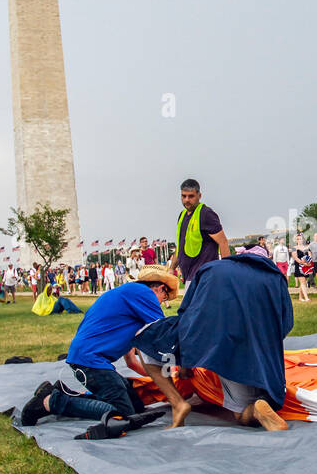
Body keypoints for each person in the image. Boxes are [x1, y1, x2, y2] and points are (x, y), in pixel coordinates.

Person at [129, 252, 293, 432]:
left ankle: (178, 404)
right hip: (257, 354)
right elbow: (285, 325)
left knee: (144, 338)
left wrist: (186, 363)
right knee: (254, 402)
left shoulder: (211, 269)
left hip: (219, 344)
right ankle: (260, 406)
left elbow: (188, 316)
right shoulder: (275, 277)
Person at [20, 267, 180, 428]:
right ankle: (51, 402)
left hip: (91, 361)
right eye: (165, 297)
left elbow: (131, 361)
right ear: (160, 288)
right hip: (91, 363)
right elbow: (165, 333)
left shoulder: (130, 303)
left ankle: (61, 392)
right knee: (123, 414)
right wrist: (175, 370)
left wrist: (163, 378)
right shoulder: (142, 293)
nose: (162, 302)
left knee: (136, 407)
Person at [168, 178, 230, 293]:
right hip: (189, 277)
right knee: (189, 310)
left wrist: (226, 272)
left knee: (191, 310)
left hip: (204, 276)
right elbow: (180, 246)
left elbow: (223, 242)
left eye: (191, 196)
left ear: (199, 195)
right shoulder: (182, 216)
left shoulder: (206, 214)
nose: (187, 200)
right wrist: (171, 268)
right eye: (184, 196)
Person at [291, 232, 314, 302]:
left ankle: (300, 297)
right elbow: (295, 258)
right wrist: (303, 263)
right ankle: (306, 297)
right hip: (299, 266)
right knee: (303, 281)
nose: (299, 240)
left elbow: (310, 255)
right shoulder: (294, 248)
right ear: (296, 240)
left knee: (303, 282)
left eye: (301, 239)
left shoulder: (306, 247)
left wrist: (308, 261)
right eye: (298, 239)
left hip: (306, 266)